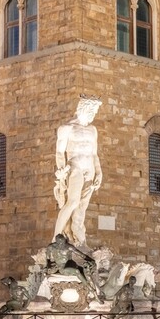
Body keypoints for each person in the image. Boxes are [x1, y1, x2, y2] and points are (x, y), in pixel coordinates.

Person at [53, 96, 102, 247]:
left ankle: (80, 242)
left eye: (95, 112)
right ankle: (55, 238)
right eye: (92, 111)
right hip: (75, 167)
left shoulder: (93, 130)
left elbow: (94, 154)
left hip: (90, 169)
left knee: (81, 209)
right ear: (84, 109)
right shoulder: (66, 128)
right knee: (72, 202)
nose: (93, 115)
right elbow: (60, 153)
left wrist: (99, 172)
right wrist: (62, 170)